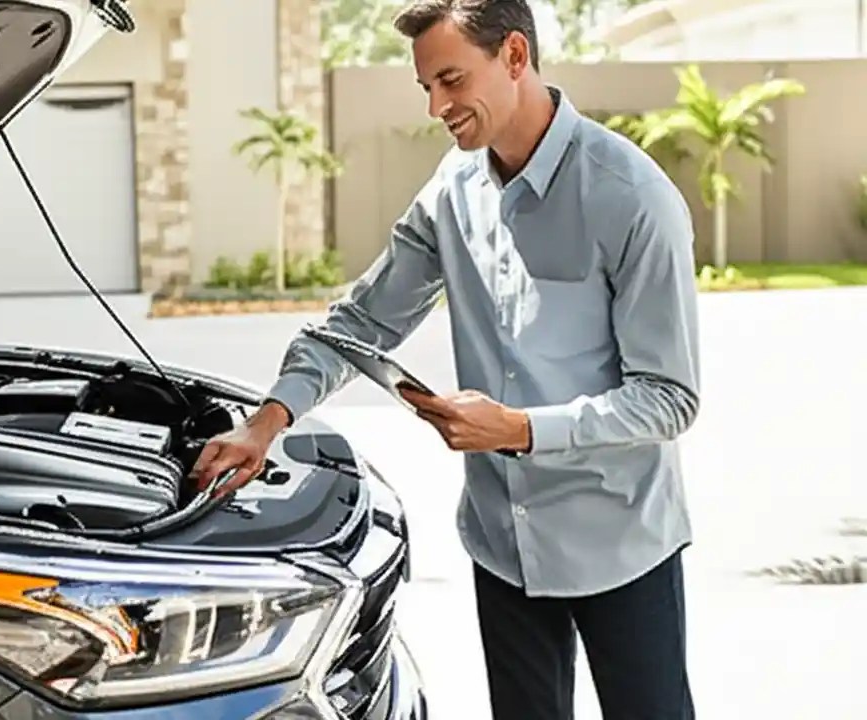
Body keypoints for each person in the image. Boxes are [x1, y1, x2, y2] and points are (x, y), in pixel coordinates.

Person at [190, 1, 701, 718]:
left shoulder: (631, 197)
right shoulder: (453, 191)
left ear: (515, 56)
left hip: (620, 541)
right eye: (427, 87)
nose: (436, 107)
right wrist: (265, 422)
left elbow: (669, 397)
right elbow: (362, 322)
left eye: (451, 81)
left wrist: (517, 429)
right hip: (503, 541)